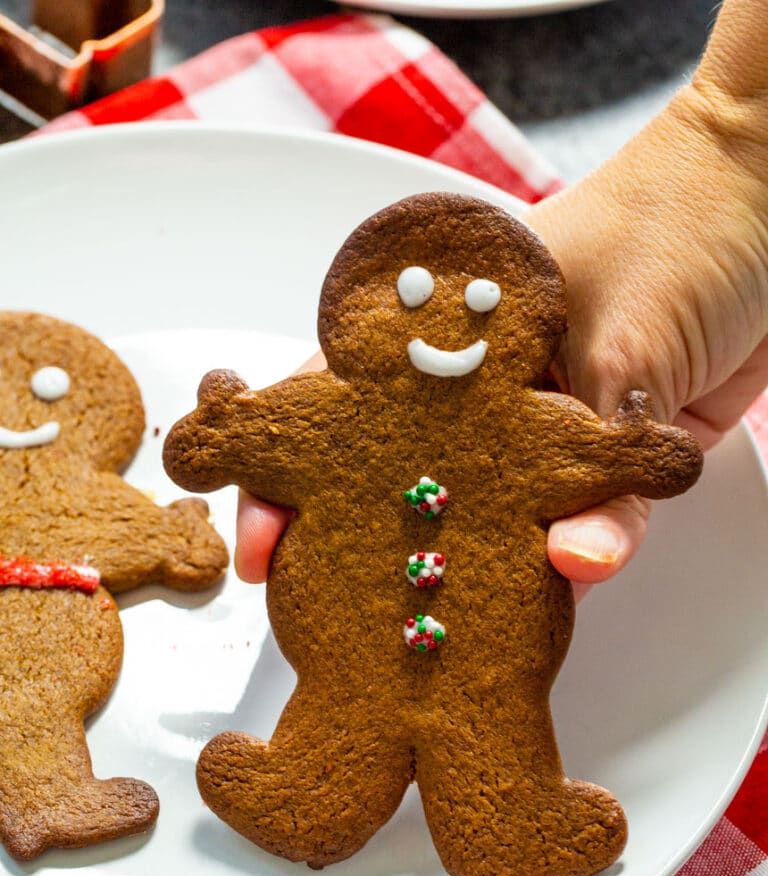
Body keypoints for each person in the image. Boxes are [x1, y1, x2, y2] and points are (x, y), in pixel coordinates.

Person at [234, 0, 768, 595]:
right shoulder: (337, 413)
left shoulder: (540, 420)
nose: (447, 318)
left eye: (480, 300)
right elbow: (250, 443)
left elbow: (623, 456)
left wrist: (739, 145)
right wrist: (733, 140)